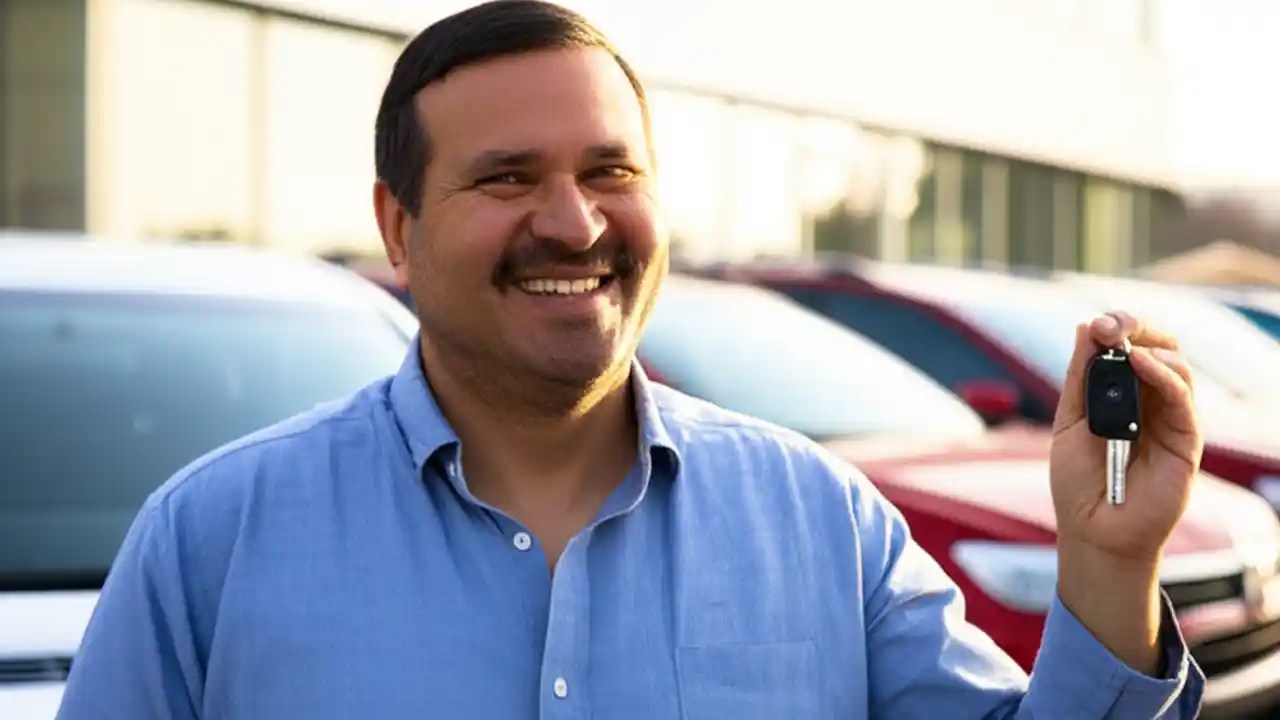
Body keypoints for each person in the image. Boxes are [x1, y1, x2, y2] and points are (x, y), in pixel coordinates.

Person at [57, 1, 1207, 717]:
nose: (573, 223)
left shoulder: (816, 517)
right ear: (396, 227)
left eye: (609, 172)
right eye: (508, 178)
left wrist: (1109, 565)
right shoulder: (213, 540)